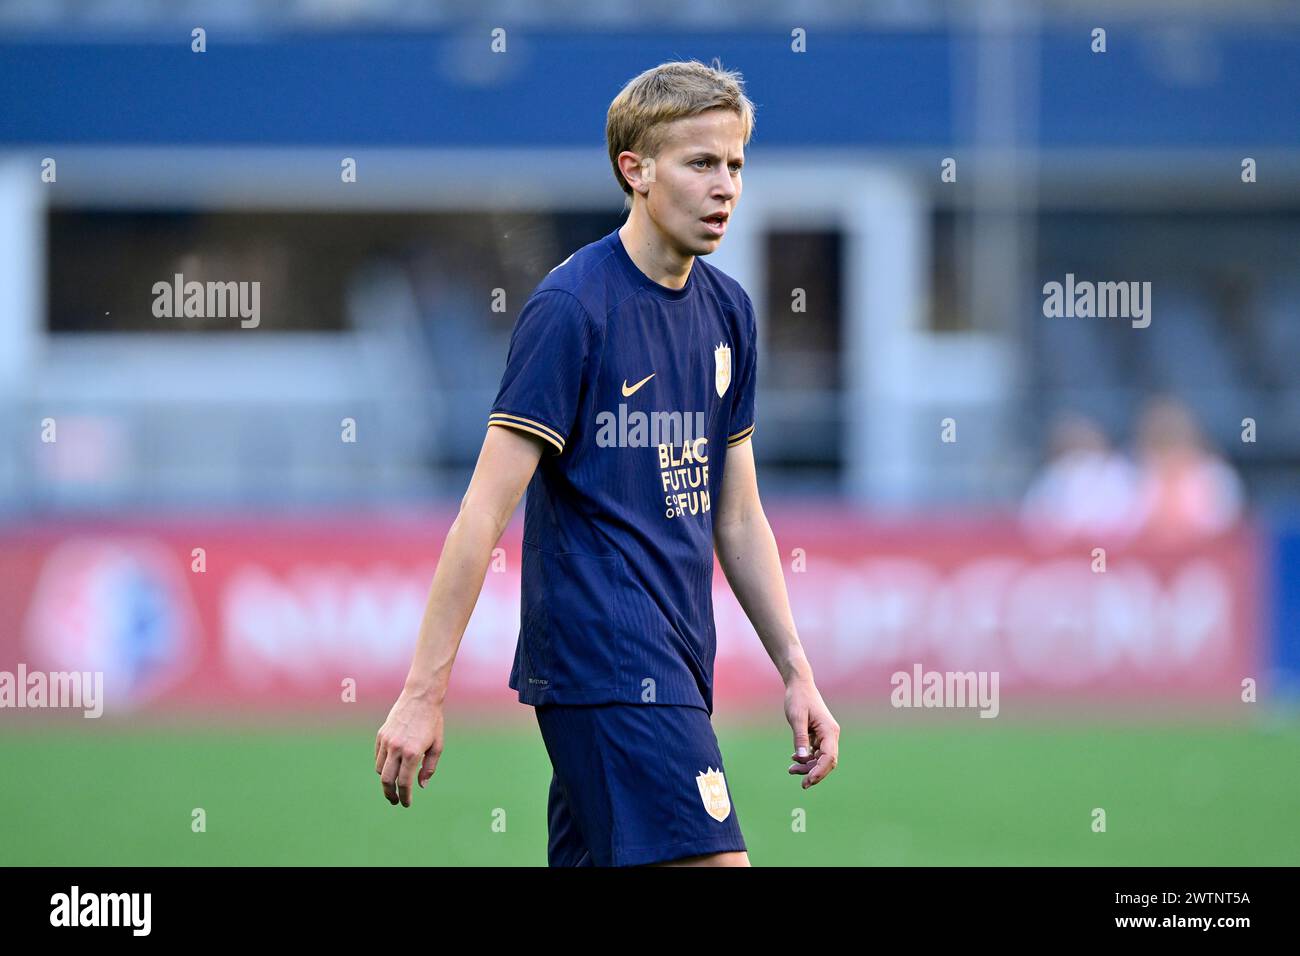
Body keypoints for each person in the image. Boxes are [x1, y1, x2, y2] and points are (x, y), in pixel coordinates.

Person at [374, 58, 839, 867]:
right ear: (637, 171)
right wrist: (423, 692)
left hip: (681, 660)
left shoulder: (729, 312)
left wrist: (797, 672)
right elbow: (483, 512)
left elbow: (737, 513)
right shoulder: (573, 308)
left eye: (734, 165)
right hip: (606, 662)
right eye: (700, 164)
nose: (724, 186)